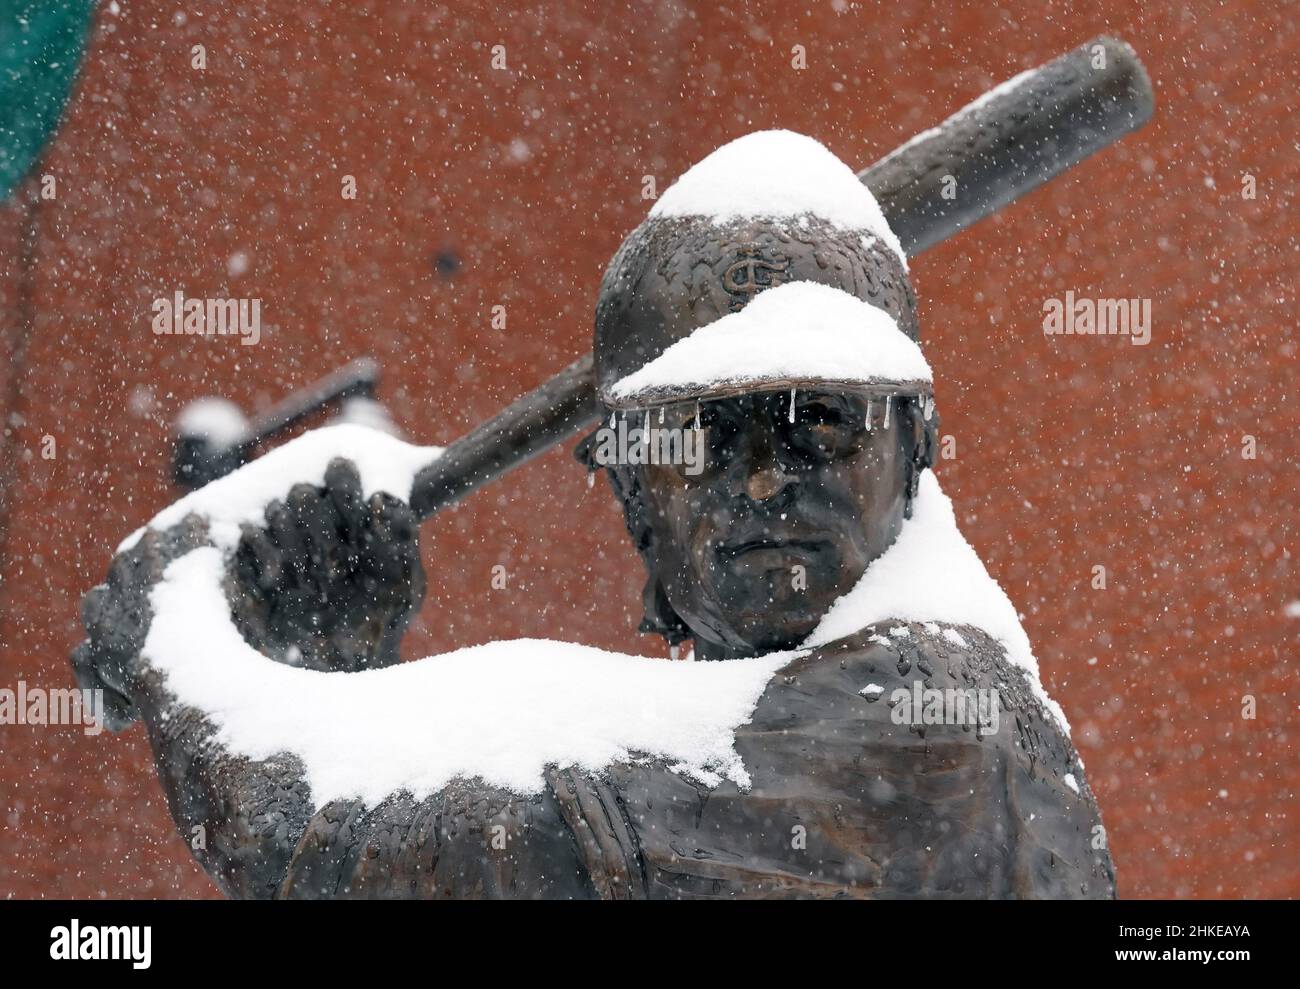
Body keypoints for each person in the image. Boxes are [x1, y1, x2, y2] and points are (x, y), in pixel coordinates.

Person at [72, 131, 1114, 899]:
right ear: (630, 494)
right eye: (697, 440)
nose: (761, 484)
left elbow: (308, 836)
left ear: (917, 446)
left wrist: (175, 630)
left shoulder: (923, 722)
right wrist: (331, 670)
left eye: (823, 422)